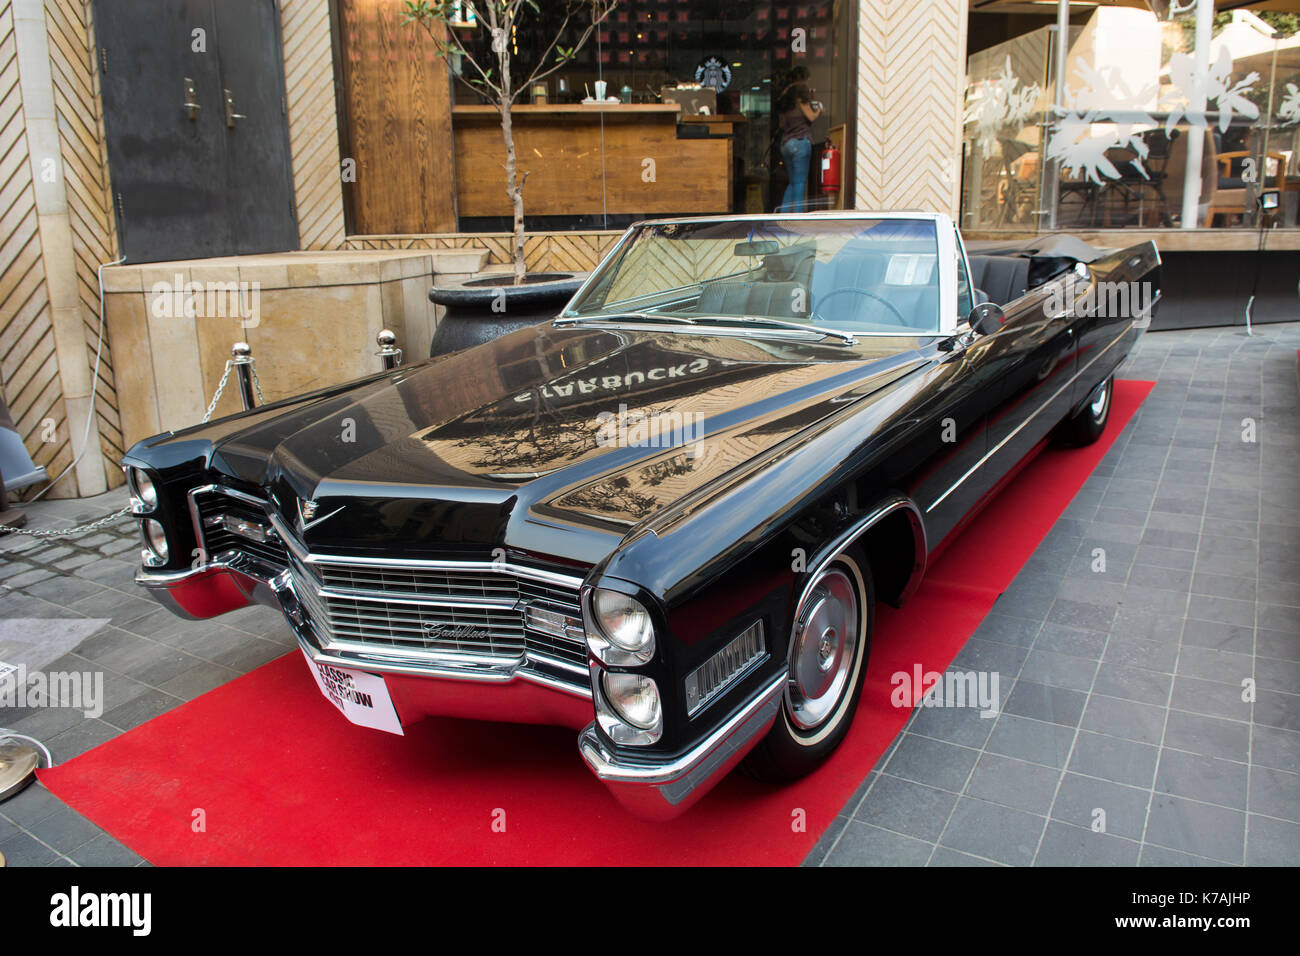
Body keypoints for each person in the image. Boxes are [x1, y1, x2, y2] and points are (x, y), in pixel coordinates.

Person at [775, 68, 822, 213]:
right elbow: (811, 116)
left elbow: (781, 125)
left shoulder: (784, 96)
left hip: (786, 143)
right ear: (804, 79)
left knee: (793, 182)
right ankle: (797, 217)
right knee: (800, 182)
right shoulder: (800, 93)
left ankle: (782, 216)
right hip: (800, 141)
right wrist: (819, 108)